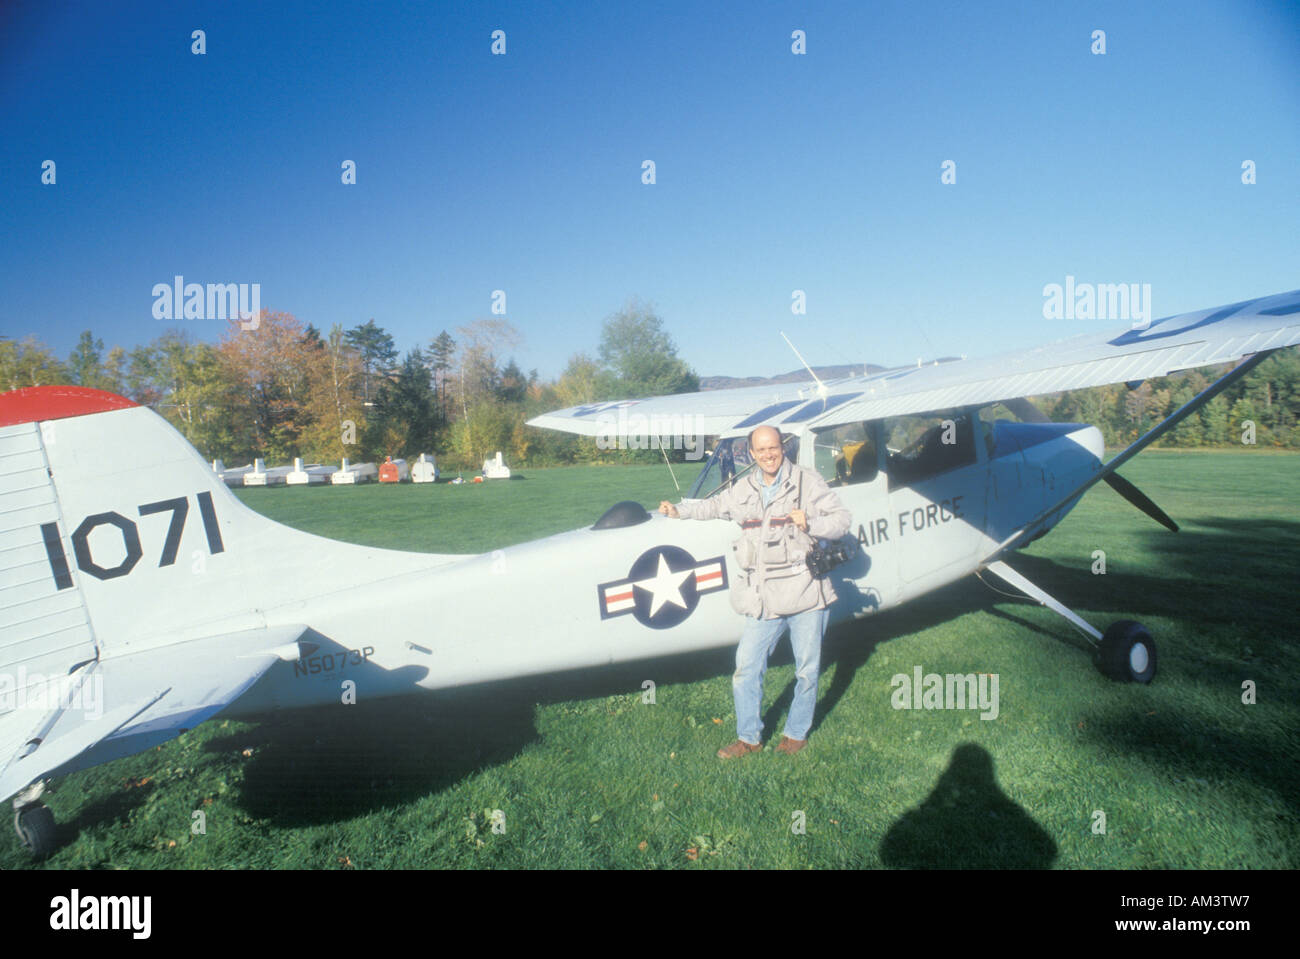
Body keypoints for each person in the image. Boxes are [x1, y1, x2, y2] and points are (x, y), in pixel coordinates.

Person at [659, 425, 850, 757]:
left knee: (806, 669)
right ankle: (749, 738)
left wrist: (811, 524)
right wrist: (680, 510)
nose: (768, 455)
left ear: (783, 447)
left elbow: (842, 520)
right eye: (761, 450)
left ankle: (796, 732)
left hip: (806, 592)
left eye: (773, 448)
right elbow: (714, 506)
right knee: (746, 667)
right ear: (751, 454)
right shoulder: (744, 487)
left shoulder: (807, 481)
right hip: (763, 596)